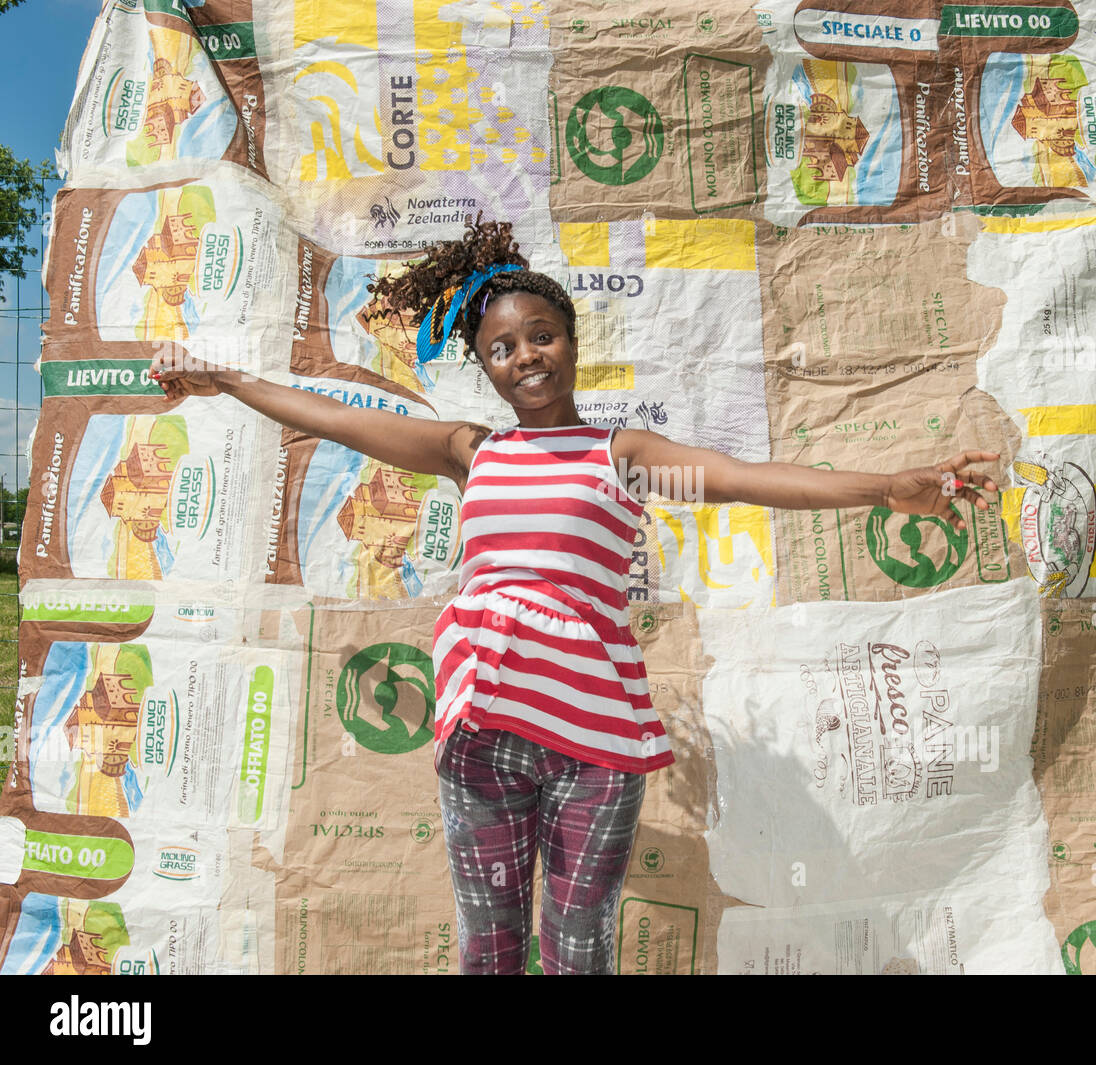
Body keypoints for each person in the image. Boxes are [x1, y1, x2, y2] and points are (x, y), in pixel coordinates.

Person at [150, 216, 1000, 975]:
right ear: (484, 366)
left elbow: (747, 480)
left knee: (578, 947)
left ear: (571, 341)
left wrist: (888, 485)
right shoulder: (469, 451)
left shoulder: (621, 454)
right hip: (484, 734)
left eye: (542, 335)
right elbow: (332, 415)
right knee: (488, 950)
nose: (526, 356)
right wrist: (221, 378)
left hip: (593, 746)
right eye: (503, 348)